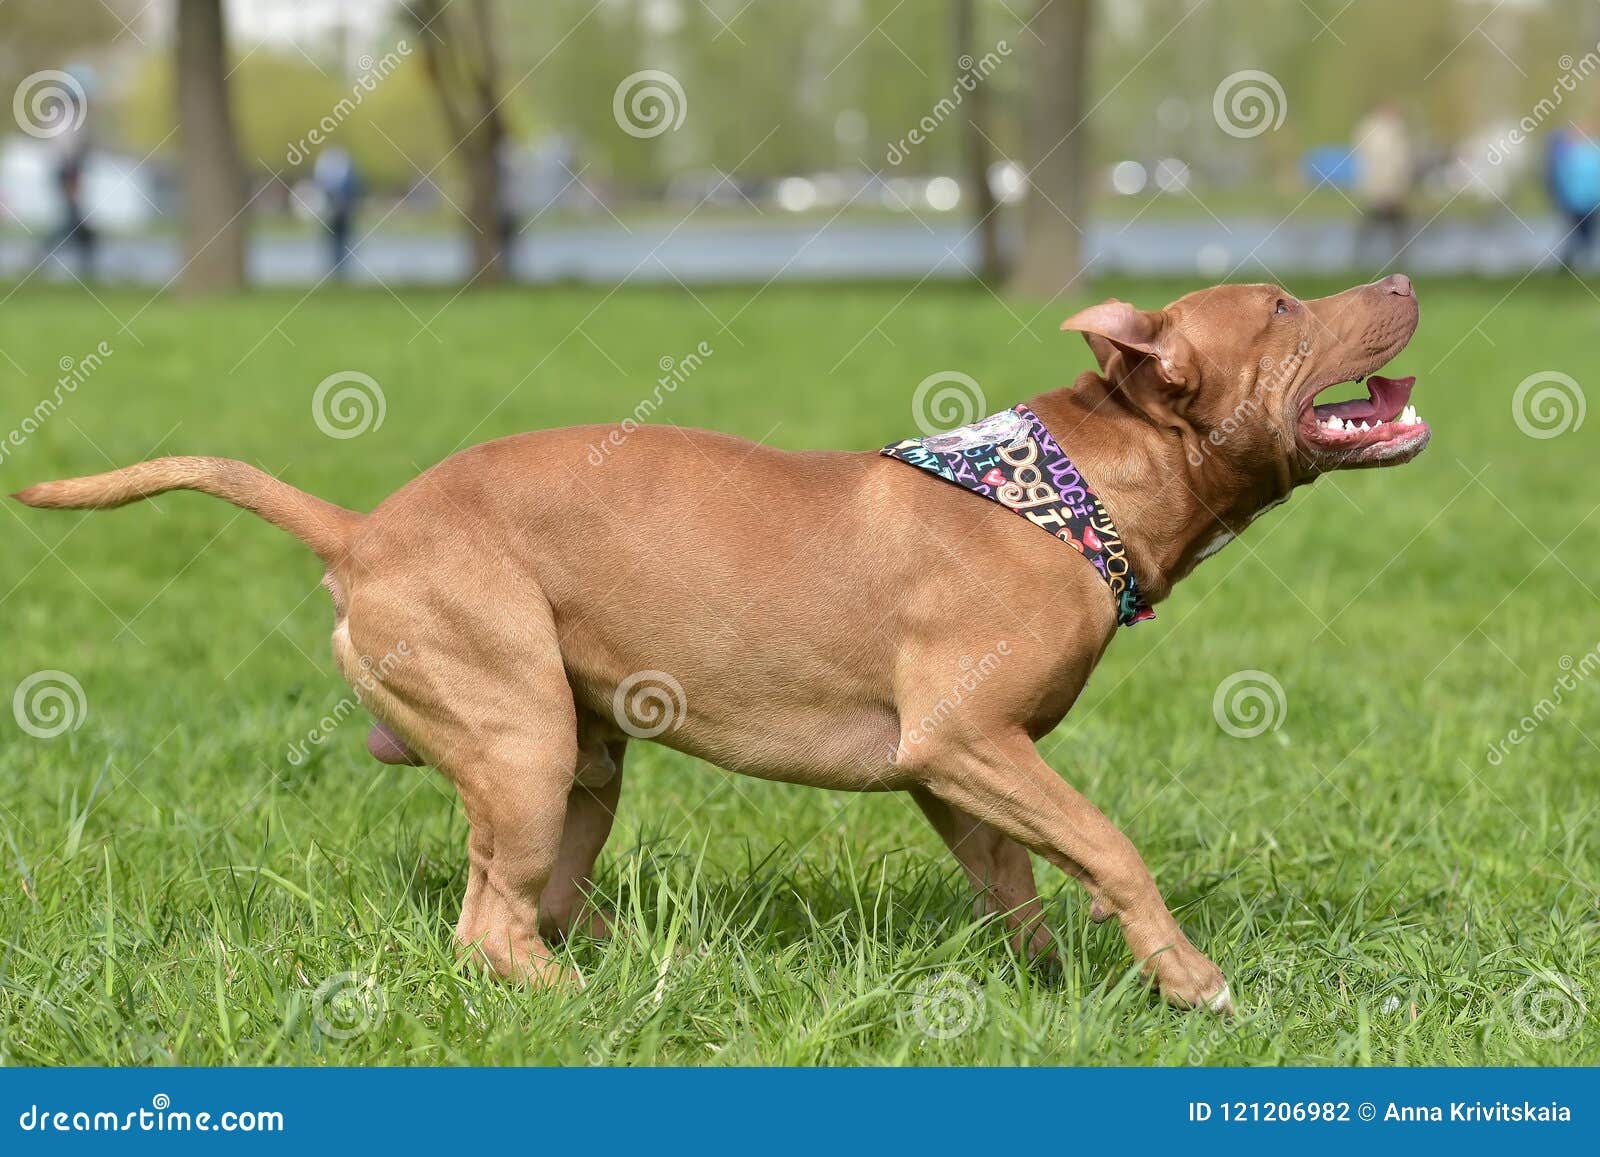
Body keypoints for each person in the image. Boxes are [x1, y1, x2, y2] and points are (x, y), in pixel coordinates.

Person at [1352, 102, 1413, 267]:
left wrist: (1400, 185)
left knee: (1396, 225)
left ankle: (1399, 258)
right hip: (1379, 187)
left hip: (1392, 187)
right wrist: (1380, 187)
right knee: (1374, 222)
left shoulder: (1397, 130)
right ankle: (1360, 257)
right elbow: (1370, 160)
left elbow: (1402, 161)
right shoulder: (1372, 130)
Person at [1546, 124, 1600, 272]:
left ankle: (1571, 263)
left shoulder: (1574, 153)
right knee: (1582, 234)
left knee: (1582, 234)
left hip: (1582, 201)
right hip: (1580, 202)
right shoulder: (1578, 153)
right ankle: (1571, 263)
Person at [312, 147, 363, 277]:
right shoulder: (343, 173)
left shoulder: (344, 174)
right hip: (334, 214)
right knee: (333, 242)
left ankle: (340, 270)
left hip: (341, 214)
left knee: (340, 242)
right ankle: (336, 269)